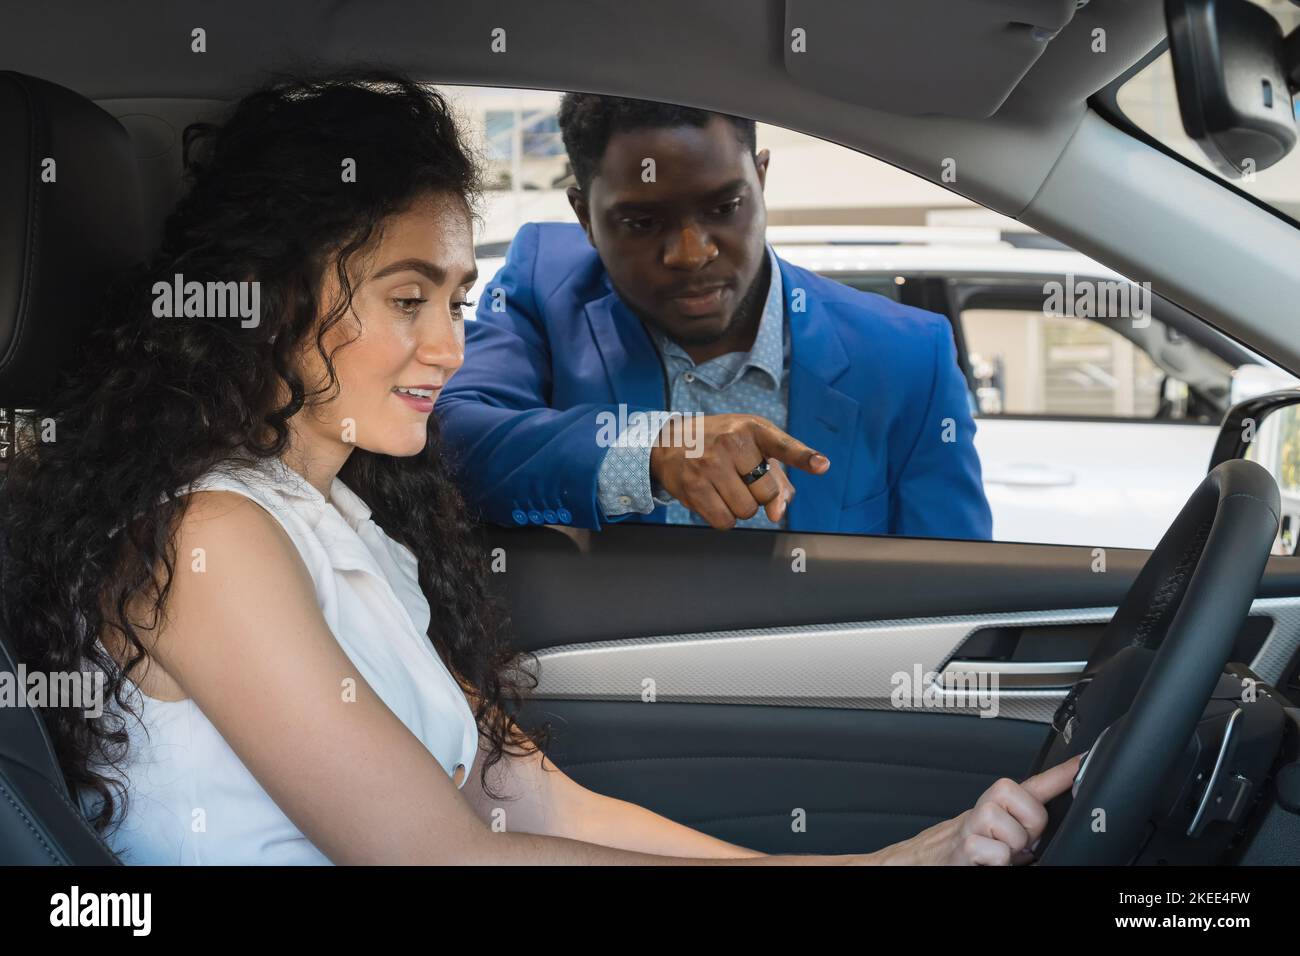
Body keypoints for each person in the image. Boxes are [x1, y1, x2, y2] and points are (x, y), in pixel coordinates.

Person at [2, 70, 1073, 865]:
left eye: (455, 301)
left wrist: (877, 864)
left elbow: (534, 800)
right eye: (406, 299)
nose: (451, 348)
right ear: (274, 294)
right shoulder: (213, 539)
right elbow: (446, 858)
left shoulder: (338, 519)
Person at [435, 94, 993, 537]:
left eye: (723, 208)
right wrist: (649, 449)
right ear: (585, 216)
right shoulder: (545, 283)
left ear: (761, 179)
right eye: (642, 222)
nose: (691, 253)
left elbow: (954, 592)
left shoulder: (906, 353)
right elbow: (453, 434)